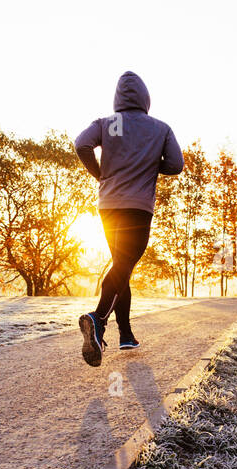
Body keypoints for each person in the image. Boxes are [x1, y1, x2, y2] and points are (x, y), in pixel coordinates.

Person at [73, 71, 183, 366]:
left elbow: (81, 144)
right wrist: (148, 162)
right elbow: (176, 164)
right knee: (123, 265)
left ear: (117, 98)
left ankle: (126, 335)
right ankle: (97, 320)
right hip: (138, 207)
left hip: (108, 206)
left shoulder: (106, 124)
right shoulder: (160, 128)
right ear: (146, 99)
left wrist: (101, 175)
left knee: (121, 267)